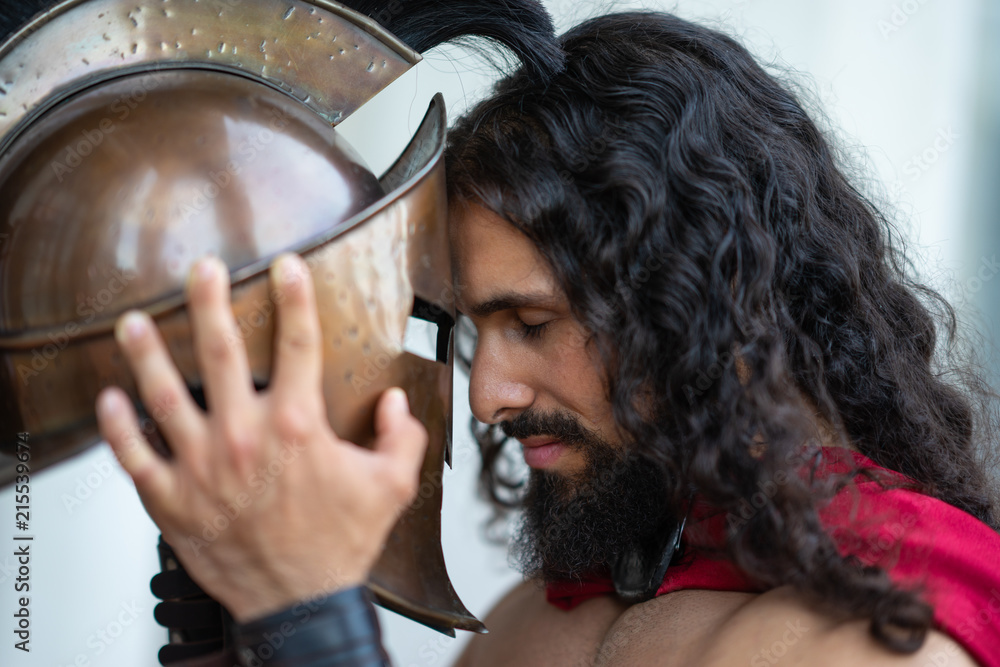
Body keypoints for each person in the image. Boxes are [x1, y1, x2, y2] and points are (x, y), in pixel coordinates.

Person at [94, 8, 1000, 667]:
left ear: (706, 302)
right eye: (473, 330)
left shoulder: (881, 640)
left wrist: (310, 616)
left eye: (531, 323)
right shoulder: (535, 624)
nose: (487, 395)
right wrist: (218, 617)